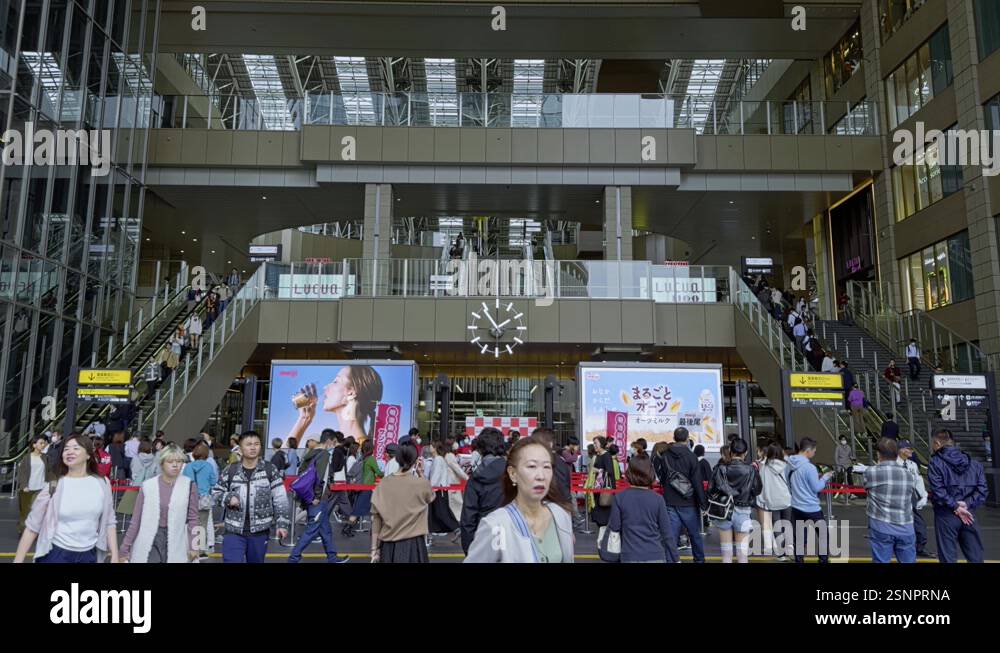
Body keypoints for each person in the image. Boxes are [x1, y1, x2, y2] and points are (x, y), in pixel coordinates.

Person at [464, 435, 574, 563]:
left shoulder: (561, 515)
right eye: (532, 466)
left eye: (546, 467)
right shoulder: (496, 525)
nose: (541, 476)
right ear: (513, 474)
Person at [14, 434, 118, 563]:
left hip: (89, 555)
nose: (69, 452)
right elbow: (32, 526)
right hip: (56, 553)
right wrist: (18, 560)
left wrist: (115, 554)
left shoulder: (102, 483)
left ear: (88, 455)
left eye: (76, 448)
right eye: (66, 449)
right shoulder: (55, 485)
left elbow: (109, 521)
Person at [211, 431, 289, 563]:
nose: (253, 447)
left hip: (260, 532)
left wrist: (282, 524)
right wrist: (229, 497)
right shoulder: (231, 470)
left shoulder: (270, 470)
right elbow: (216, 493)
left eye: (256, 444)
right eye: (248, 444)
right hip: (233, 531)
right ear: (240, 449)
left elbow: (280, 498)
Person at [120, 445, 200, 563]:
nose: (175, 465)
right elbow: (136, 520)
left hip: (177, 537)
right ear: (162, 463)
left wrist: (196, 546)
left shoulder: (189, 485)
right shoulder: (148, 486)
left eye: (179, 461)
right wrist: (124, 548)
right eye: (170, 461)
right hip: (150, 538)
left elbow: (194, 518)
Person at [927, 429, 988, 563]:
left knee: (948, 557)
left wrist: (955, 506)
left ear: (937, 443)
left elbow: (938, 491)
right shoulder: (975, 464)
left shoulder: (935, 462)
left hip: (946, 514)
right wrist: (966, 504)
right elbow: (983, 490)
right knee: (976, 556)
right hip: (969, 514)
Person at [289, 432, 349, 564]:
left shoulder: (309, 454)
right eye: (333, 443)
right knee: (311, 530)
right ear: (328, 441)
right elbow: (321, 478)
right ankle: (293, 558)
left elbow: (301, 474)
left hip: (310, 497)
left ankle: (332, 557)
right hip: (318, 499)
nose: (333, 445)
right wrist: (316, 496)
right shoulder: (324, 455)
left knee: (326, 530)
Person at [371, 441, 435, 563]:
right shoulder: (420, 484)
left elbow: (376, 519)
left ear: (397, 459)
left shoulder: (383, 484)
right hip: (414, 545)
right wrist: (421, 473)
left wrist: (374, 548)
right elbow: (431, 496)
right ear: (415, 461)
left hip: (388, 545)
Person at [856, 438, 917, 563]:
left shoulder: (871, 472)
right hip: (906, 526)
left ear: (878, 454)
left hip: (882, 526)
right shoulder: (908, 474)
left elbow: (866, 486)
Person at [287, 366, 384, 443]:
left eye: (335, 381)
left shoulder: (356, 448)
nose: (325, 387)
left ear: (352, 392)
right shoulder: (340, 444)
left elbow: (284, 462)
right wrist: (304, 418)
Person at [654, 426, 707, 563]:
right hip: (688, 501)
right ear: (687, 438)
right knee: (694, 534)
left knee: (671, 536)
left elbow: (663, 478)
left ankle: (670, 560)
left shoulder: (665, 456)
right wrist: (703, 503)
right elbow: (697, 482)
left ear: (674, 438)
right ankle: (699, 560)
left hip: (670, 501)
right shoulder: (692, 457)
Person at [606, 454, 671, 563]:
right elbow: (667, 533)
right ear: (650, 472)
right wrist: (675, 558)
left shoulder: (620, 498)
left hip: (629, 555)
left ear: (629, 473)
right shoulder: (658, 499)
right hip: (655, 554)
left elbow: (615, 526)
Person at [708, 438, 762, 563]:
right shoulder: (751, 470)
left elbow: (710, 490)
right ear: (746, 452)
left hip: (724, 511)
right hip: (743, 511)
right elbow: (757, 490)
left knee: (726, 554)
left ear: (730, 451)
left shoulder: (720, 468)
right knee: (742, 555)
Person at [786, 438, 834, 563]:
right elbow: (816, 487)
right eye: (814, 451)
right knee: (823, 535)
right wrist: (825, 478)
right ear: (808, 451)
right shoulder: (809, 467)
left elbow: (788, 483)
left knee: (800, 537)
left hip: (796, 507)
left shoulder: (789, 464)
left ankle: (799, 560)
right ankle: (823, 560)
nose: (814, 454)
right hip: (812, 508)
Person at [460, 427, 507, 553]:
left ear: (480, 449)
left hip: (484, 538)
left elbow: (468, 519)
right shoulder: (514, 473)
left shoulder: (475, 478)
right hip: (513, 538)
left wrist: (470, 551)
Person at [756, 442, 792, 560]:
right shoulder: (786, 465)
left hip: (772, 501)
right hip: (786, 499)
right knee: (787, 524)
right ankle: (789, 548)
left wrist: (762, 501)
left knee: (777, 526)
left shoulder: (764, 468)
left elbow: (762, 486)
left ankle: (781, 554)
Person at [897, 440, 933, 558]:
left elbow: (918, 480)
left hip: (910, 496)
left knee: (919, 524)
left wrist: (923, 495)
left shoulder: (912, 465)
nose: (911, 450)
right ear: (901, 450)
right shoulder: (892, 464)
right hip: (897, 497)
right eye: (908, 448)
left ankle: (920, 547)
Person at [183, 442, 218, 559]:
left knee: (190, 523)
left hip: (190, 498)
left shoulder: (188, 466)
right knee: (202, 524)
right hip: (204, 498)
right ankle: (201, 550)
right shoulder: (208, 466)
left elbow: (184, 482)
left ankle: (190, 548)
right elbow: (214, 482)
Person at [343, 439, 383, 537]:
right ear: (371, 448)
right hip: (367, 488)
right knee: (361, 510)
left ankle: (348, 528)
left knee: (359, 509)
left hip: (360, 487)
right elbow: (379, 473)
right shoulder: (371, 459)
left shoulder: (362, 458)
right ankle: (348, 528)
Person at [16, 436, 49, 534]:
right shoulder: (27, 457)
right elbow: (22, 472)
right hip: (28, 488)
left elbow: (48, 471)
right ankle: (22, 528)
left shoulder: (45, 457)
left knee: (37, 510)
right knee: (25, 511)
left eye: (44, 443)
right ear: (34, 445)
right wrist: (24, 485)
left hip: (40, 488)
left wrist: (50, 482)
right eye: (41, 443)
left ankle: (34, 530)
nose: (43, 445)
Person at [585, 436, 620, 528]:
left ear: (601, 443)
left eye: (596, 443)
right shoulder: (598, 455)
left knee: (604, 508)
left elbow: (609, 472)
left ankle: (604, 530)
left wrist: (597, 470)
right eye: (593, 443)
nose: (594, 445)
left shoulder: (606, 455)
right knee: (597, 509)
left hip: (604, 488)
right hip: (597, 487)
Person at [833, 436, 856, 502]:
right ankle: (838, 494)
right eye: (842, 440)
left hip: (848, 465)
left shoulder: (848, 447)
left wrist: (852, 458)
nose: (844, 441)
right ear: (840, 441)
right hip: (841, 465)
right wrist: (838, 466)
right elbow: (836, 457)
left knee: (850, 479)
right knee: (841, 479)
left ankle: (852, 493)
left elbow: (850, 455)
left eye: (845, 439)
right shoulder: (838, 447)